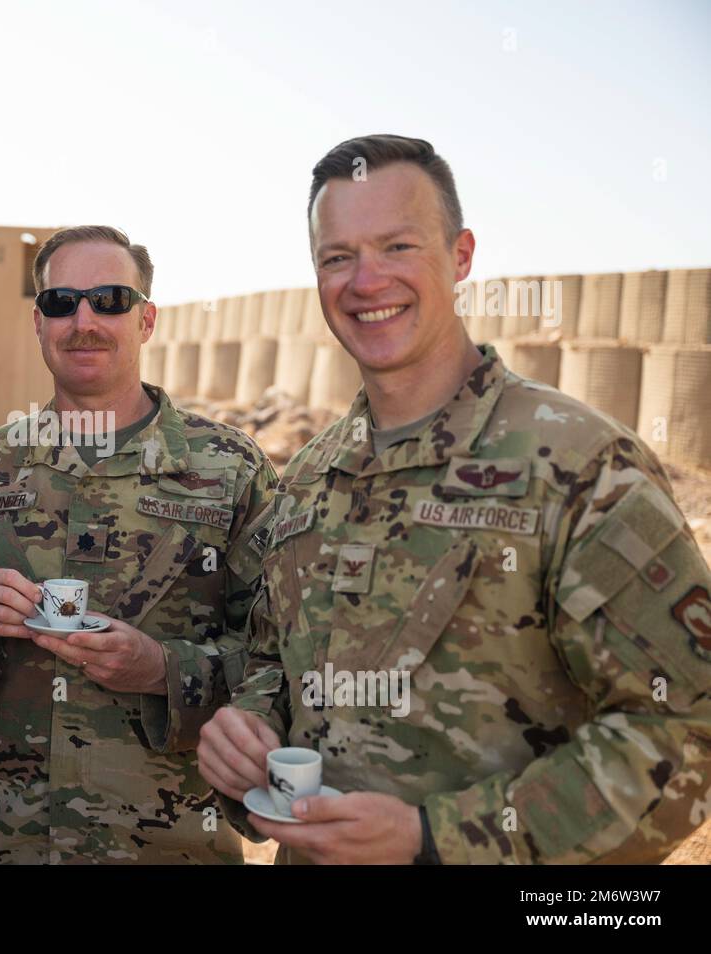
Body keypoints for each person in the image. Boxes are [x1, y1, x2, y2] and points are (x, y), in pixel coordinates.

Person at [197, 134, 711, 864]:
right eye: (337, 257)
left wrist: (433, 838)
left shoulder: (577, 464)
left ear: (461, 255)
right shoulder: (311, 476)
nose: (365, 280)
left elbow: (684, 725)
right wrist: (246, 731)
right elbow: (274, 664)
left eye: (398, 247)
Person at [0, 226, 279, 863]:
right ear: (38, 323)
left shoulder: (230, 470)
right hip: (4, 841)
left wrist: (162, 668)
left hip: (168, 844)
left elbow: (281, 660)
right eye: (63, 302)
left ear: (147, 319)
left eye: (111, 299)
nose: (85, 320)